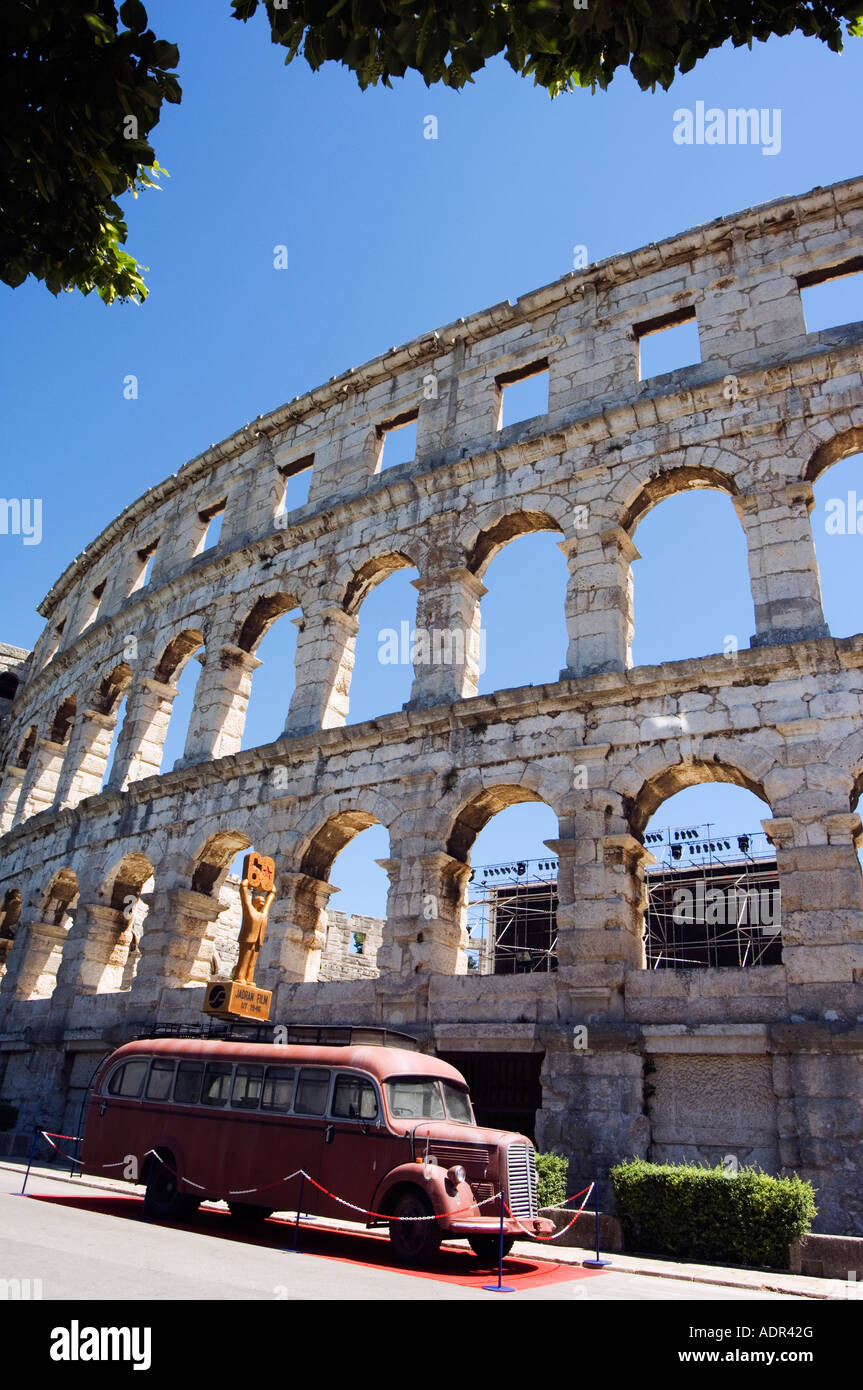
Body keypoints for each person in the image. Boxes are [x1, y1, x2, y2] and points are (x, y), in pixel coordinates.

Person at [234, 876, 275, 985]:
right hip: (247, 939)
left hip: (257, 940)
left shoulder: (263, 915)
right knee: (244, 959)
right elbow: (245, 898)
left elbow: (269, 901)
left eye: (263, 901)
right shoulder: (250, 910)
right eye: (260, 901)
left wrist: (271, 889)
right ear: (254, 902)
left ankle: (249, 979)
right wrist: (245, 884)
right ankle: (240, 977)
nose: (262, 903)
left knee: (253, 961)